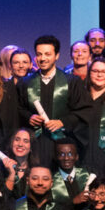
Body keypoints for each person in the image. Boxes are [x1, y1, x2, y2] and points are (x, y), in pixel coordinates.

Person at [18, 35, 74, 164]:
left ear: (57, 55)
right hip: (34, 142)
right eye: (39, 54)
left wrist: (62, 122)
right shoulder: (25, 82)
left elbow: (81, 111)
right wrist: (29, 117)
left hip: (61, 142)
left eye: (47, 54)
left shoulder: (70, 82)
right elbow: (18, 108)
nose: (42, 58)